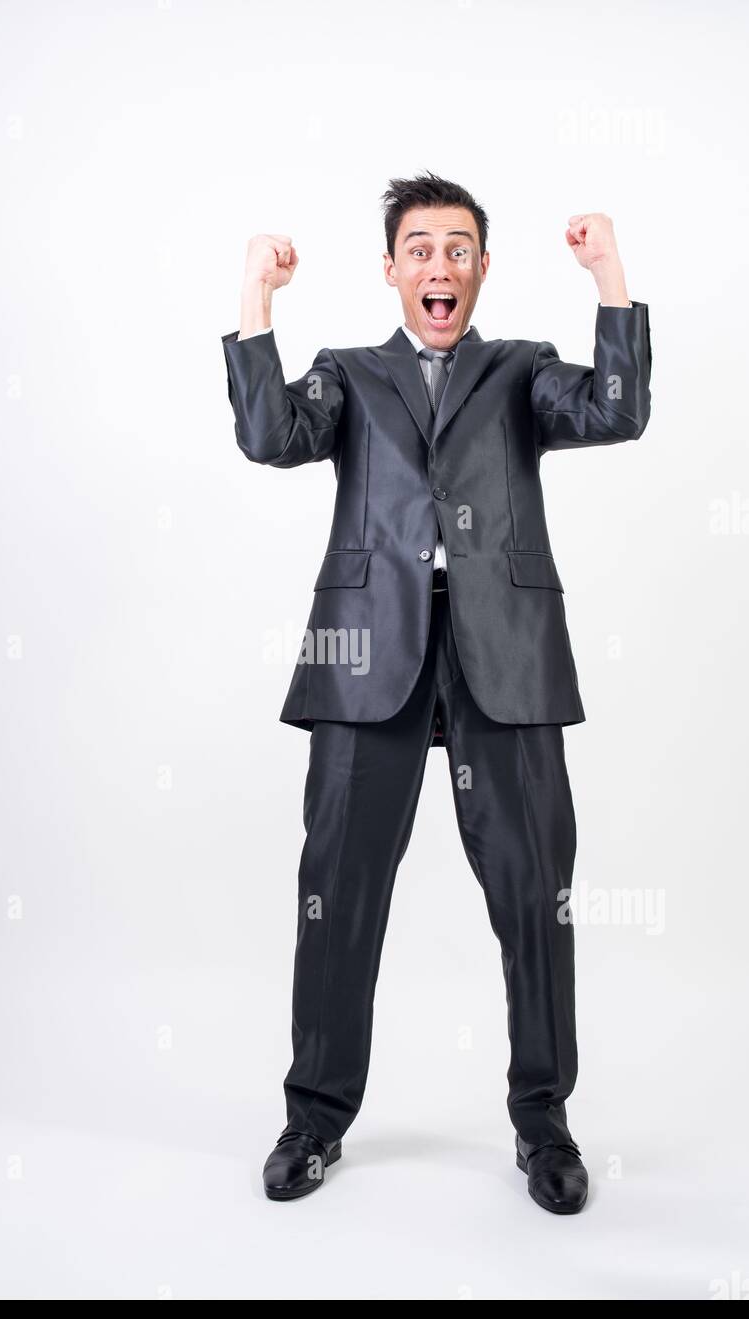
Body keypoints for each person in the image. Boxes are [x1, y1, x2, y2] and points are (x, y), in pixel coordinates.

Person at [220, 172, 652, 1214]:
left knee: (534, 893)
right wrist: (256, 298)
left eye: (458, 249)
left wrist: (608, 275)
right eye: (420, 249)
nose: (439, 266)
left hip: (505, 651)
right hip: (366, 651)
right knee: (337, 892)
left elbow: (617, 410)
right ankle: (313, 1120)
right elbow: (269, 435)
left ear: (482, 268)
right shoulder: (350, 374)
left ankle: (544, 1126)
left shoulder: (520, 371)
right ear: (391, 270)